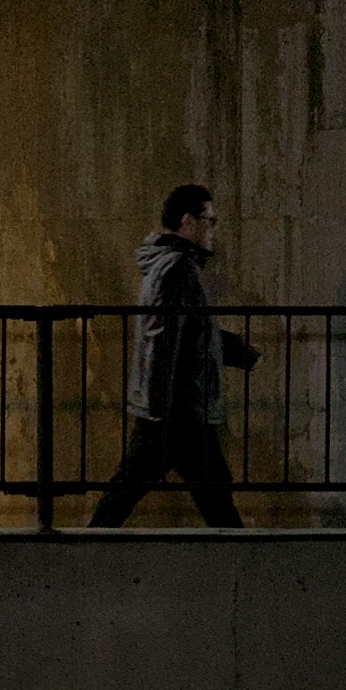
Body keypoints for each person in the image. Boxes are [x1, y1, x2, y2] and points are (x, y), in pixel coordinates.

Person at [88, 182, 259, 527]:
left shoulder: (172, 266)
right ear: (188, 222)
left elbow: (188, 334)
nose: (213, 229)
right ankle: (83, 549)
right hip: (179, 413)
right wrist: (163, 412)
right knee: (213, 504)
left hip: (173, 411)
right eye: (209, 221)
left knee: (128, 493)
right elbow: (163, 341)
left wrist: (235, 350)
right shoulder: (178, 269)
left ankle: (85, 548)